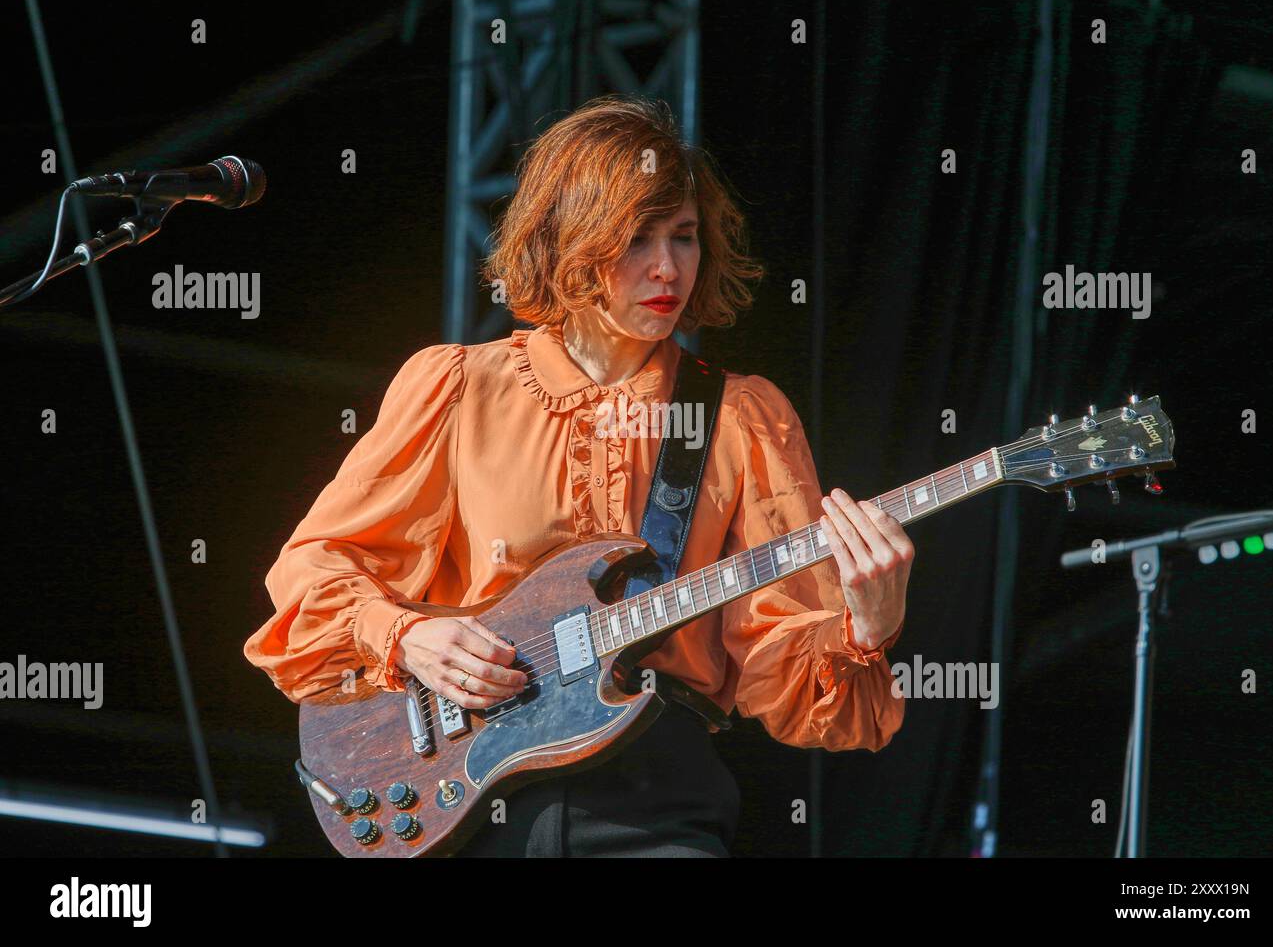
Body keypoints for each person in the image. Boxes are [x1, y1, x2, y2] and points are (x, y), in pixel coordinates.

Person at [244, 94, 912, 857]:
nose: (668, 268)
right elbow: (313, 570)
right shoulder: (461, 388)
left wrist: (866, 629)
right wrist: (405, 637)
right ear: (569, 241)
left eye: (686, 237)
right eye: (637, 239)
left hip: (655, 808)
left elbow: (788, 680)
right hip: (472, 807)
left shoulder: (741, 417)